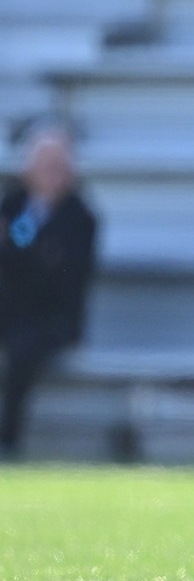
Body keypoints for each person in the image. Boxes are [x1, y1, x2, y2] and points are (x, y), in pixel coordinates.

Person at [1, 129, 98, 457]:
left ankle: (9, 440)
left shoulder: (80, 217)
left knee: (22, 350)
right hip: (10, 310)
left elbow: (65, 277)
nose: (50, 172)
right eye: (44, 164)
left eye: (58, 164)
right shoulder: (11, 205)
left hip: (52, 318)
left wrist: (21, 254)